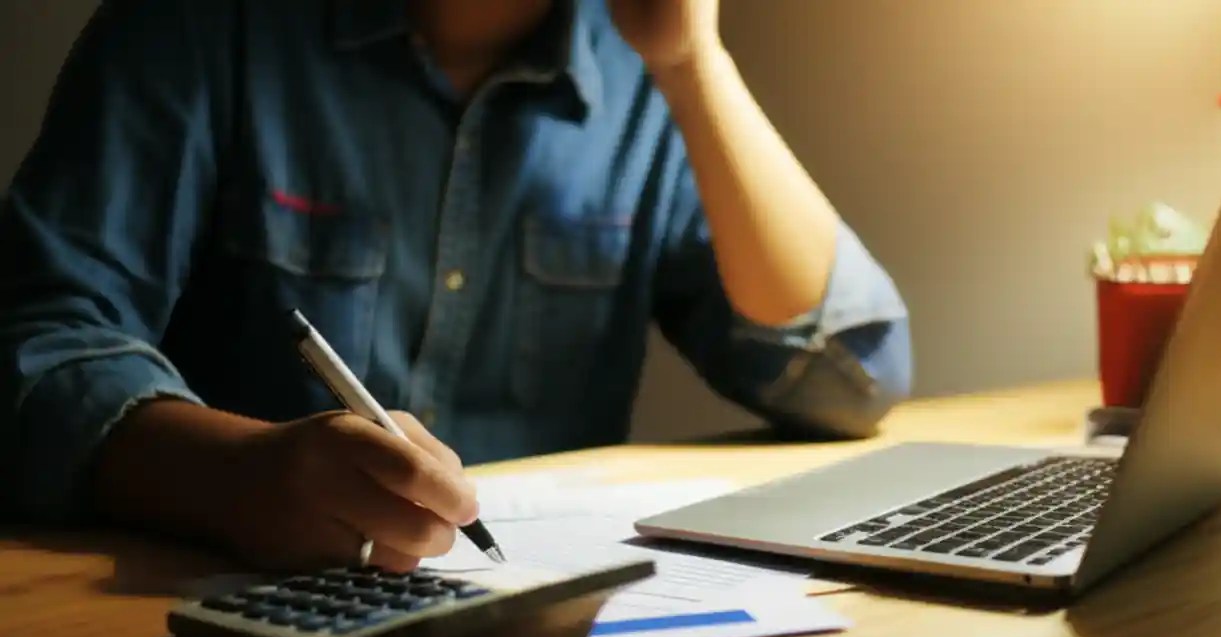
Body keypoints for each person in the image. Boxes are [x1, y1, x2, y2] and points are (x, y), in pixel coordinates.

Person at [0, 0, 911, 571]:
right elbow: (36, 343)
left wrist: (692, 63)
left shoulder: (641, 77)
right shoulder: (196, 27)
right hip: (207, 622)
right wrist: (235, 475)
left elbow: (848, 380)